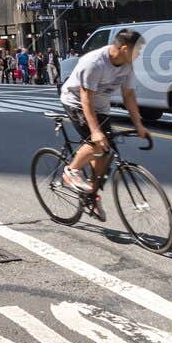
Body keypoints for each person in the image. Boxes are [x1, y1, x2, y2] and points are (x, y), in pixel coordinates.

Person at [58, 28, 148, 222]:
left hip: (101, 106)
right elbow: (86, 99)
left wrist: (139, 124)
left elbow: (129, 95)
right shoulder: (94, 63)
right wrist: (95, 131)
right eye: (138, 50)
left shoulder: (127, 64)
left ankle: (91, 194)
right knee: (96, 141)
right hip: (75, 101)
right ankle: (71, 171)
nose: (139, 54)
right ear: (124, 48)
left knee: (107, 153)